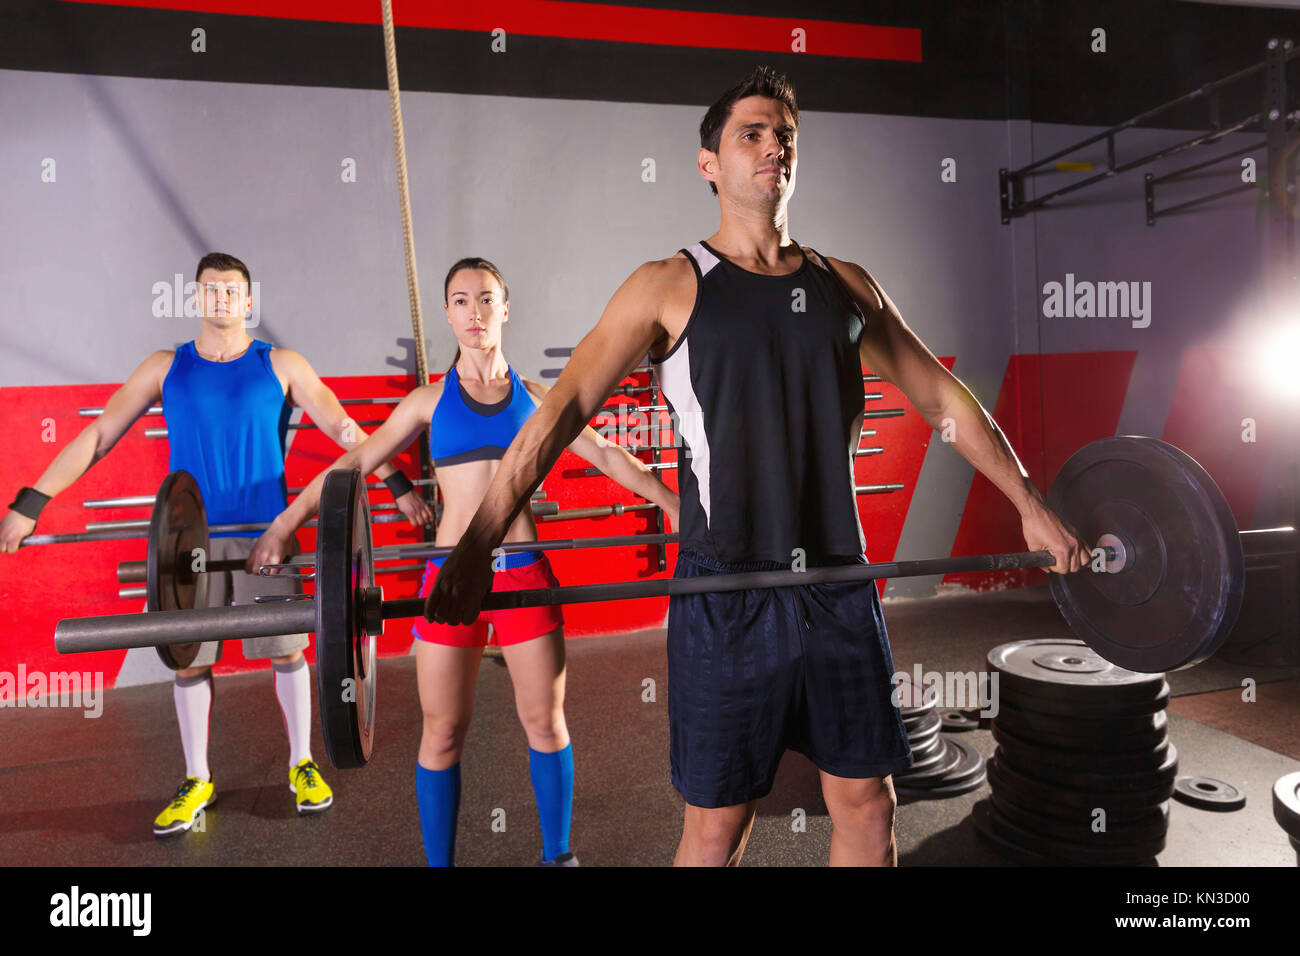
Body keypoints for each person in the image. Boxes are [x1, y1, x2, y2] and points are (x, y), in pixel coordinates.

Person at [423, 67, 1092, 867]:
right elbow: (560, 414)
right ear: (710, 164)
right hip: (726, 588)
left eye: (785, 135)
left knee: (869, 805)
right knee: (718, 824)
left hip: (838, 586)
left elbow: (945, 399)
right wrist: (477, 544)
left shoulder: (846, 285)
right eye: (753, 133)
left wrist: (1029, 501)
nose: (774, 144)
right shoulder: (669, 286)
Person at [249, 257, 680, 867]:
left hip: (523, 578)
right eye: (460, 301)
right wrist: (286, 523)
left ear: (505, 309)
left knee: (545, 722)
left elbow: (609, 455)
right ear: (447, 313)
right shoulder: (428, 402)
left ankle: (557, 857)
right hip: (449, 581)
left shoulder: (538, 398)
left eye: (486, 300)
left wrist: (672, 501)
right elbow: (353, 466)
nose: (474, 312)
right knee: (443, 732)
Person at [0, 252, 434, 836]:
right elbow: (99, 433)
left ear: (249, 301)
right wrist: (32, 502)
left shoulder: (280, 364)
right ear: (196, 298)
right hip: (188, 544)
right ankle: (196, 776)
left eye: (233, 291)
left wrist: (400, 487)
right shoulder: (166, 367)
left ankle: (300, 763)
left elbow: (345, 431)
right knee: (188, 662)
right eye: (211, 290)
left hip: (267, 537)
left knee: (286, 650)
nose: (223, 300)